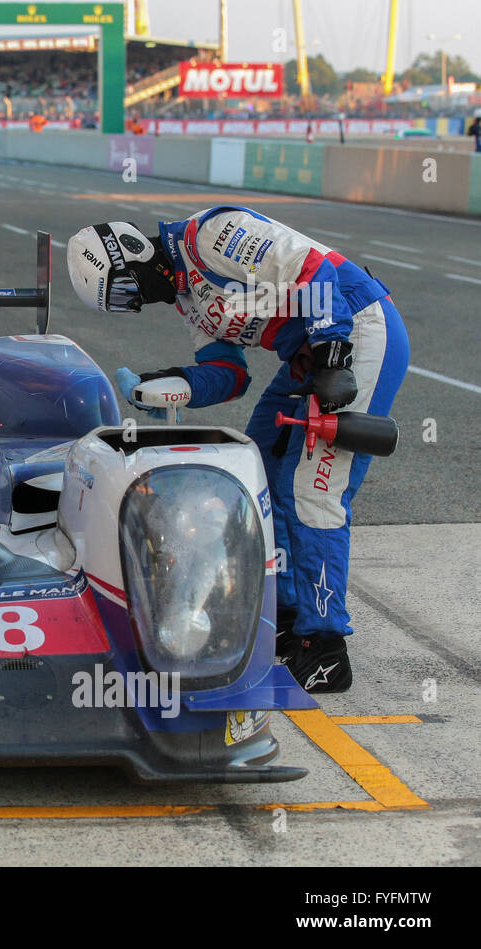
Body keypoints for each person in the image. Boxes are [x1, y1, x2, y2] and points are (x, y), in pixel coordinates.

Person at [66, 211, 409, 693]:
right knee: (261, 470)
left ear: (134, 251)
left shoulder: (211, 235)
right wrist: (171, 384)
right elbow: (229, 375)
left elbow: (314, 271)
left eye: (125, 290)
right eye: (120, 304)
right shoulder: (189, 299)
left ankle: (327, 646)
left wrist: (333, 354)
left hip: (358, 330)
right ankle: (288, 616)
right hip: (311, 352)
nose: (136, 303)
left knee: (314, 491)